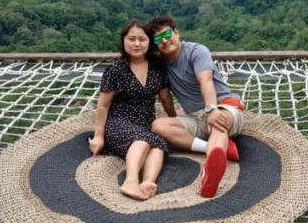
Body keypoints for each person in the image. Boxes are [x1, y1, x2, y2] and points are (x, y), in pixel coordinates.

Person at [149, 15, 245, 198]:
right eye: (158, 39)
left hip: (223, 106)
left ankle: (211, 172)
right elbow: (165, 97)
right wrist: (174, 118)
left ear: (177, 33)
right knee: (158, 126)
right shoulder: (160, 65)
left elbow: (206, 80)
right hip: (195, 116)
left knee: (217, 124)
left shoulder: (196, 51)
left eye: (167, 34)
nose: (165, 41)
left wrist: (211, 109)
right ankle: (215, 148)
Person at [89, 20, 177, 200]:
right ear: (123, 41)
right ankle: (130, 182)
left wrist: (175, 120)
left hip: (145, 124)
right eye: (131, 39)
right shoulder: (115, 70)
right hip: (118, 123)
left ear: (149, 42)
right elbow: (103, 105)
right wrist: (99, 135)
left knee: (158, 145)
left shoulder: (157, 67)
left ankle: (148, 182)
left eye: (142, 39)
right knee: (144, 141)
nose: (136, 44)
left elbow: (166, 98)